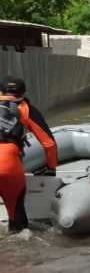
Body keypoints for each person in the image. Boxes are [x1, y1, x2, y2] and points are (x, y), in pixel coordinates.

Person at [0, 76, 57, 232]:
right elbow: (49, 144)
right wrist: (51, 169)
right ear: (23, 93)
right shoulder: (26, 109)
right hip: (8, 163)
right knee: (16, 217)